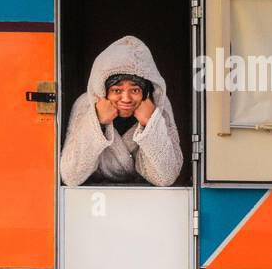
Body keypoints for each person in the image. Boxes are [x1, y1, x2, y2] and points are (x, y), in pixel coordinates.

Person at [59, 34, 183, 187]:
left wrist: (150, 124)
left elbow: (166, 177)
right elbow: (71, 176)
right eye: (117, 90)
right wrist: (97, 122)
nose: (126, 98)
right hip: (95, 200)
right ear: (103, 91)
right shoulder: (86, 104)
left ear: (146, 93)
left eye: (135, 90)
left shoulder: (159, 105)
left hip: (146, 198)